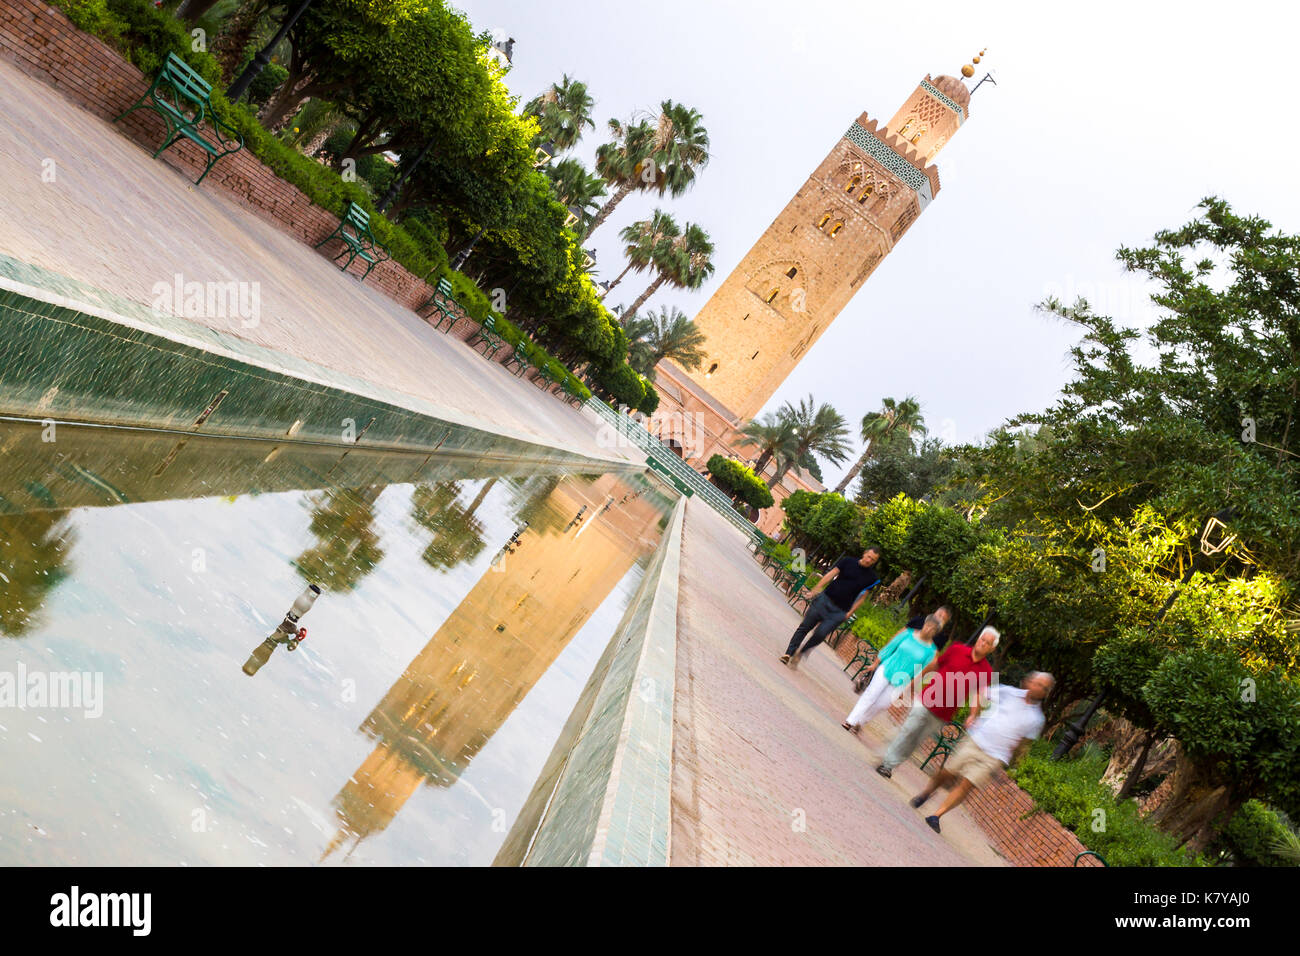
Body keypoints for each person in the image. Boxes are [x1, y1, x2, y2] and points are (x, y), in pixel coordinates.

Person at [912, 671, 1054, 833]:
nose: (1039, 688)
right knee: (948, 772)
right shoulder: (1008, 692)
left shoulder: (1037, 719)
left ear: (1046, 693)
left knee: (967, 784)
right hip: (977, 741)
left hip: (996, 757)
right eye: (1037, 683)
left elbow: (1024, 744)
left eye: (1044, 687)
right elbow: (981, 692)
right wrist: (973, 715)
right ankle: (926, 793)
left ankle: (936, 815)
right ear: (1029, 682)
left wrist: (1014, 762)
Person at [875, 625, 999, 778]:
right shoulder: (957, 650)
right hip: (926, 699)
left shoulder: (986, 671)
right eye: (982, 639)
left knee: (915, 741)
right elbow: (935, 665)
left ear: (992, 649)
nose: (983, 643)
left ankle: (890, 758)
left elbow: (978, 694)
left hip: (943, 714)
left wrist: (973, 715)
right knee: (908, 730)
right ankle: (887, 764)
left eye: (987, 643)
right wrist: (915, 681)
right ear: (978, 638)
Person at [841, 607, 949, 734]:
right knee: (871, 694)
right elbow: (890, 647)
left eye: (933, 629)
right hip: (887, 667)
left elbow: (922, 671)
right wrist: (875, 664)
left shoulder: (931, 651)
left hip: (902, 680)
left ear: (935, 633)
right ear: (924, 624)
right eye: (928, 625)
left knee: (883, 704)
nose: (929, 629)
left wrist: (910, 686)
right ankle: (850, 721)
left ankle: (861, 721)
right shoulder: (908, 634)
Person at [780, 546, 882, 669]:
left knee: (820, 634)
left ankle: (801, 652)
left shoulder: (872, 578)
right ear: (864, 553)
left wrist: (850, 613)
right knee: (805, 627)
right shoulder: (848, 561)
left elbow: (862, 598)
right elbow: (831, 574)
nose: (869, 560)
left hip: (839, 611)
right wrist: (816, 589)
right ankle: (788, 653)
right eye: (869, 556)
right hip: (825, 600)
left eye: (873, 560)